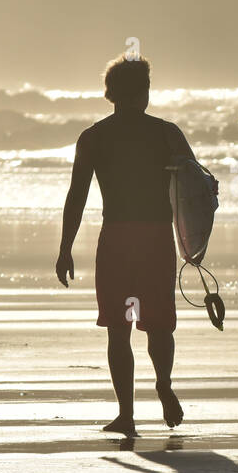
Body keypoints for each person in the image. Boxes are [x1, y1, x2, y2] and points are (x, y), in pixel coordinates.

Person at [55, 54, 195, 436]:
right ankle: (163, 384)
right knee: (159, 325)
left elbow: (77, 196)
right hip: (155, 238)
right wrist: (192, 245)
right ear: (145, 93)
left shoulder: (95, 137)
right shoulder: (167, 134)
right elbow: (195, 191)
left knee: (119, 328)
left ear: (110, 93)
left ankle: (127, 415)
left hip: (116, 239)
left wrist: (65, 247)